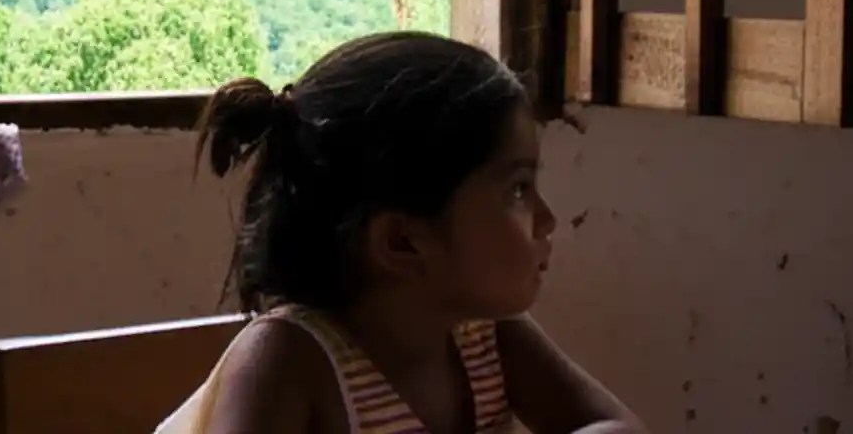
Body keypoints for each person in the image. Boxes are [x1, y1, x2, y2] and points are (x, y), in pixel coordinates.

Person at [156, 32, 645, 434]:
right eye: (517, 191)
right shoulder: (287, 362)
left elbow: (619, 428)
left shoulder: (487, 338)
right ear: (402, 242)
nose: (547, 219)